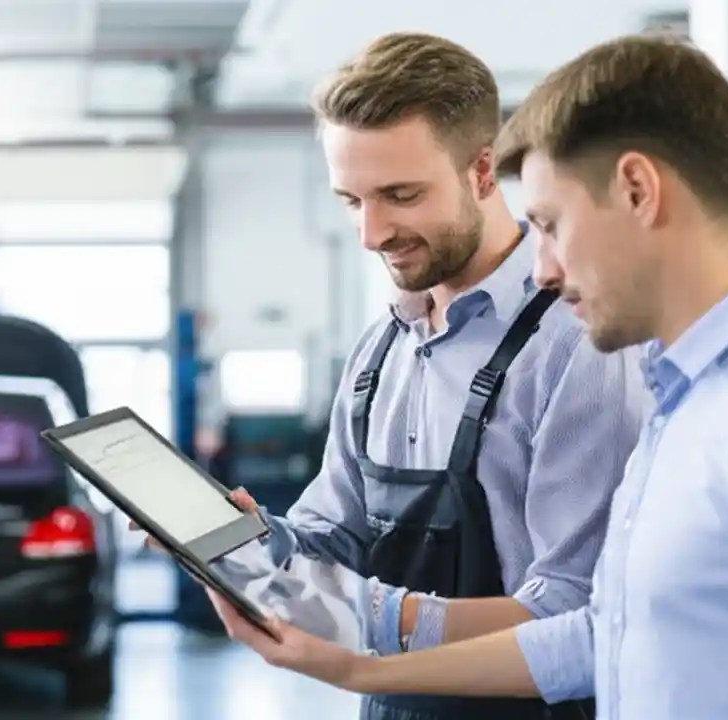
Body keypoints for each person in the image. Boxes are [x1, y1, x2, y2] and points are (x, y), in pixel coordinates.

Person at [204, 33, 728, 720]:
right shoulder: (686, 401)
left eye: (549, 223)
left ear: (637, 191)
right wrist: (357, 664)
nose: (541, 269)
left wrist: (378, 622)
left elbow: (565, 605)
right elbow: (602, 634)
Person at [144, 32, 645, 720]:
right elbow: (339, 533)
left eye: (400, 195)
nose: (371, 233)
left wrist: (374, 620)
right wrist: (261, 545)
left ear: (481, 170)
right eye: (351, 200)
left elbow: (576, 612)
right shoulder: (382, 349)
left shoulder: (579, 342)